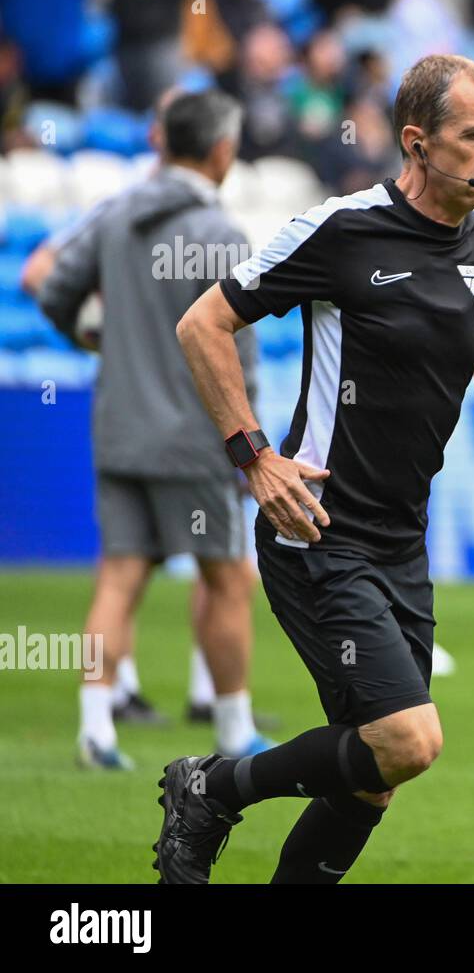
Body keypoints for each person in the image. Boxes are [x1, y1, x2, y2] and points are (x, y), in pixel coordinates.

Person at [156, 54, 474, 885]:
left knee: (373, 776)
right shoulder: (343, 229)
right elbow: (203, 324)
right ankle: (212, 786)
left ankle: (213, 797)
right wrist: (254, 458)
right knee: (408, 741)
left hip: (402, 540)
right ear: (416, 142)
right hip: (319, 530)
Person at [37, 90, 273, 769]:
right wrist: (248, 440)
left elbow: (54, 291)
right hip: (196, 438)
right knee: (227, 579)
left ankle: (96, 730)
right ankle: (232, 731)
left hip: (118, 424)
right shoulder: (221, 233)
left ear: (164, 141)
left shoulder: (114, 215)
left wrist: (96, 340)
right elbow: (239, 352)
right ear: (222, 150)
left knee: (117, 578)